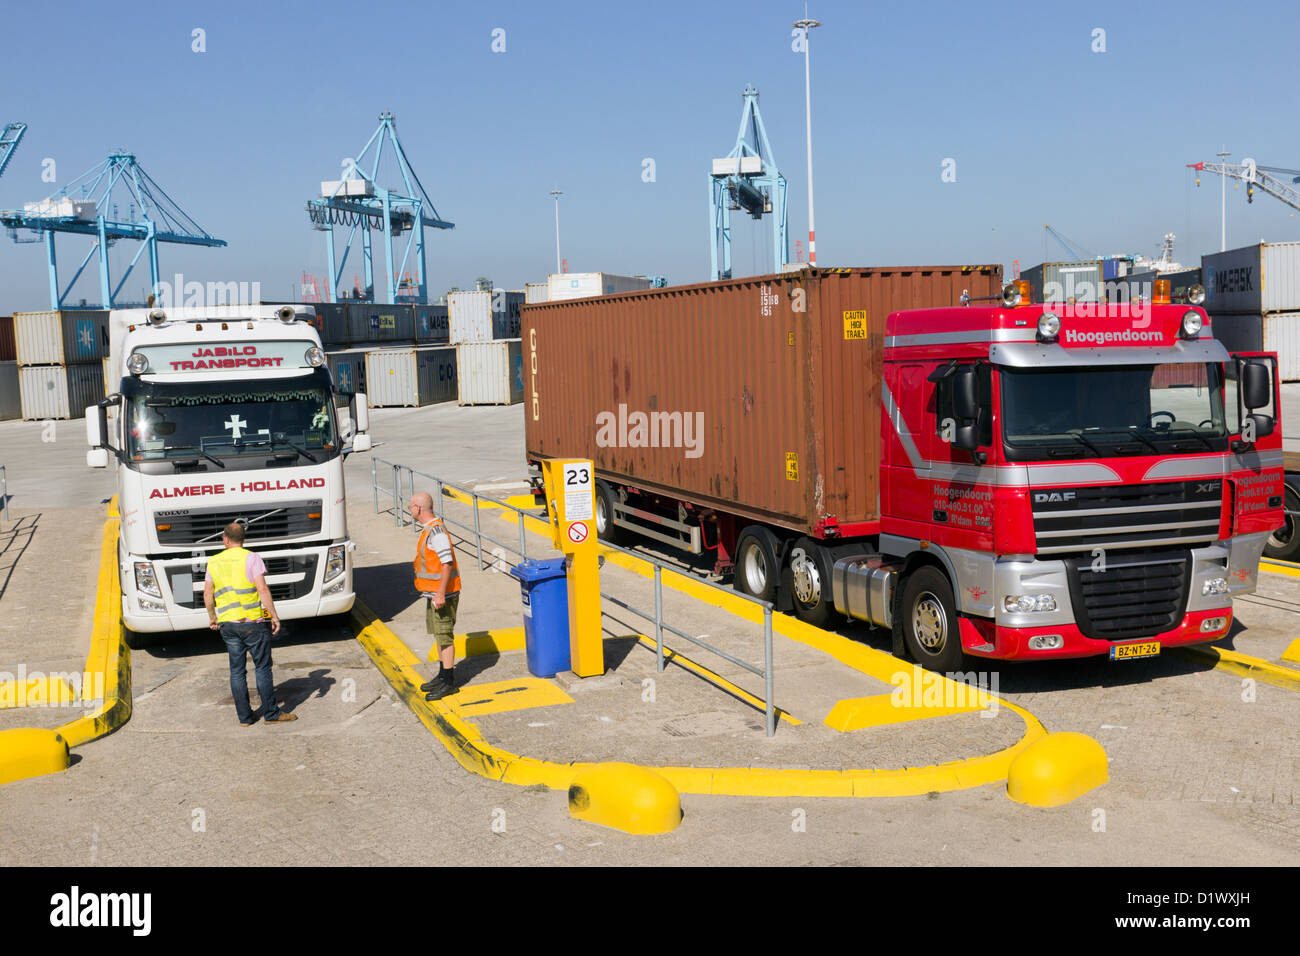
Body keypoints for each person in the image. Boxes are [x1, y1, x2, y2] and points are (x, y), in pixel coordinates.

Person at [203, 521, 298, 725]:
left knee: (237, 670)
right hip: (253, 623)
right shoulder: (252, 558)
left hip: (228, 624)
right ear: (243, 539)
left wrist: (213, 617)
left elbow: (207, 594)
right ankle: (271, 714)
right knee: (262, 668)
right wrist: (274, 615)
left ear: (225, 539)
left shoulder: (213, 562)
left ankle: (245, 717)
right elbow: (262, 590)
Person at [409, 492, 461, 700]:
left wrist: (440, 593)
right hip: (434, 594)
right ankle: (442, 676)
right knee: (439, 635)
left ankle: (449, 682)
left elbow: (446, 563)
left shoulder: (436, 532)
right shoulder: (429, 529)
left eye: (410, 506)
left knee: (445, 636)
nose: (410, 509)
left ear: (417, 508)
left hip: (443, 595)